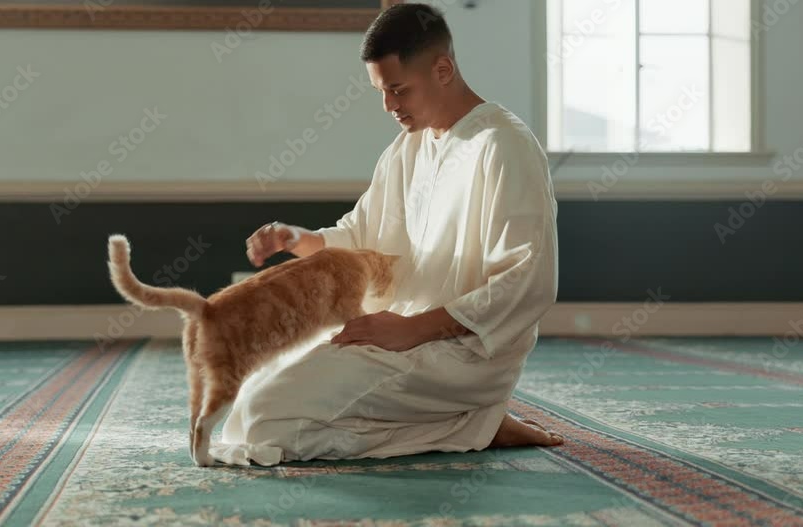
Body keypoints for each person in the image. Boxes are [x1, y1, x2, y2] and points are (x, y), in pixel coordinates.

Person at [211, 3, 561, 466]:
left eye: (398, 89)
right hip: (395, 332)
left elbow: (529, 281)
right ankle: (469, 424)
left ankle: (473, 419)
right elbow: (363, 238)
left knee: (263, 418)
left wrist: (413, 328)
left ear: (443, 69)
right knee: (252, 386)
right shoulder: (407, 147)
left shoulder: (503, 145)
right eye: (381, 91)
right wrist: (298, 239)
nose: (390, 106)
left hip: (464, 354)